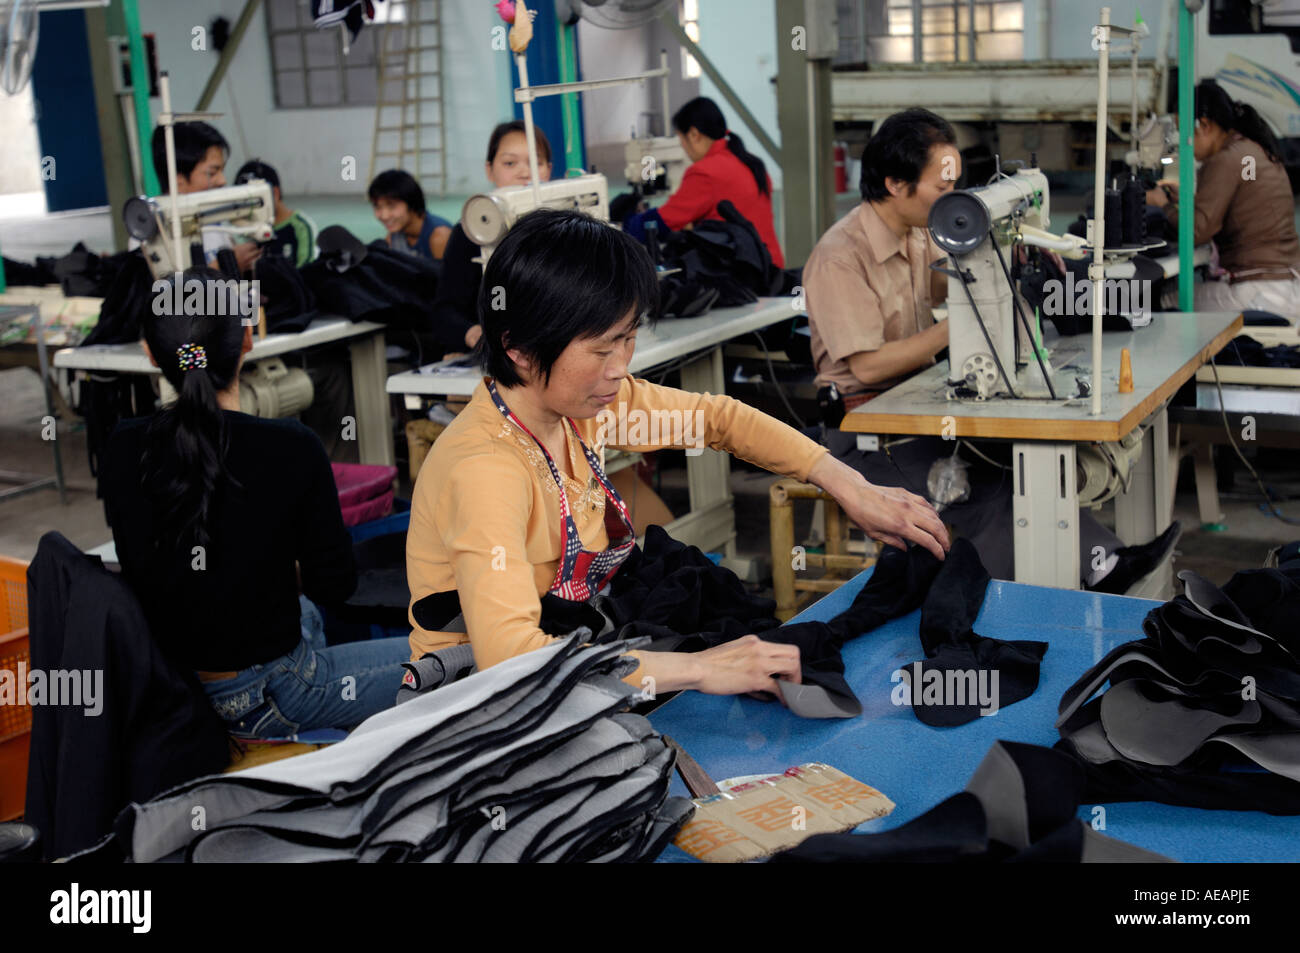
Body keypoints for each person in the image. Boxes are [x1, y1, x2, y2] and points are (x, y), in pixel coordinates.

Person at [405, 208, 950, 698]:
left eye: (627, 338)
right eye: (600, 349)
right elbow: (513, 659)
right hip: (486, 706)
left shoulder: (580, 404)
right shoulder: (487, 470)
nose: (620, 367)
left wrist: (851, 486)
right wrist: (697, 669)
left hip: (577, 651)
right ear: (518, 350)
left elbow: (719, 420)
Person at [806, 108, 1178, 592]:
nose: (954, 199)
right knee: (997, 492)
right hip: (863, 432)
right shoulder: (841, 256)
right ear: (897, 184)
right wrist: (966, 315)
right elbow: (868, 364)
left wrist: (1011, 254)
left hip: (912, 409)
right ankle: (1010, 624)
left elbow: (956, 281)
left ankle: (1098, 566)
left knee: (1021, 463)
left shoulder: (920, 232)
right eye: (943, 188)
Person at [99, 269, 410, 737]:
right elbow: (335, 585)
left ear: (148, 352)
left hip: (173, 687)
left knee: (302, 617)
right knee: (459, 652)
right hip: (274, 691)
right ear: (248, 338)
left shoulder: (119, 447)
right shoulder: (291, 446)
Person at [1147, 79, 1300, 321]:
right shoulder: (1252, 151)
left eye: (1183, 131)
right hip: (1286, 283)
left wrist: (1162, 205)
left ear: (1205, 125)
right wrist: (1187, 201)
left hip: (1258, 292)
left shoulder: (1226, 160)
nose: (1182, 141)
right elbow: (1243, 198)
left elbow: (1197, 231)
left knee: (1163, 300)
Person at [432, 120, 554, 354]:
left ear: (548, 169)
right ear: (490, 170)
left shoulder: (567, 231)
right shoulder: (471, 234)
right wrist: (472, 333)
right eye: (510, 163)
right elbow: (444, 314)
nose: (524, 172)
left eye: (535, 163)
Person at [623, 96, 784, 268]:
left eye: (681, 139)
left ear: (693, 134)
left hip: (742, 275)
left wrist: (630, 221)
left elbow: (663, 222)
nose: (682, 146)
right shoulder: (751, 163)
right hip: (770, 267)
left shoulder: (705, 172)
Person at [149, 122, 261, 275]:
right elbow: (167, 294)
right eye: (212, 173)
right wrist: (226, 266)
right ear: (178, 180)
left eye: (222, 171)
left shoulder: (213, 220)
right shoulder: (151, 235)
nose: (223, 180)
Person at [234, 159, 318, 267]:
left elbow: (307, 273)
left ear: (275, 193)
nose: (248, 205)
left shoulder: (301, 227)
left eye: (254, 198)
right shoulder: (246, 229)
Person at [368, 169, 453, 261]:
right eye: (377, 207)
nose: (384, 216)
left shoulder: (440, 236)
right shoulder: (393, 236)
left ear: (412, 203)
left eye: (392, 206)